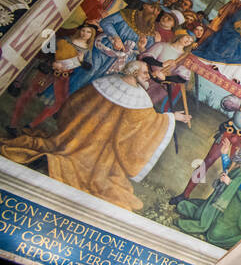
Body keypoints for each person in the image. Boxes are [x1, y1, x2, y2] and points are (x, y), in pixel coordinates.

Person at [1, 61, 190, 211]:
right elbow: (146, 124)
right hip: (99, 154)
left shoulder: (105, 82)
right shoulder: (138, 98)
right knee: (102, 177)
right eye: (145, 73)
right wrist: (172, 117)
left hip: (72, 139)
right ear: (133, 74)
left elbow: (73, 104)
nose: (148, 77)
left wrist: (75, 128)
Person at [173, 136, 241, 248]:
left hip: (235, 205)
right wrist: (224, 154)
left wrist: (230, 182)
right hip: (223, 195)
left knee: (215, 235)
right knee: (187, 208)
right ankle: (206, 219)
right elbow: (229, 169)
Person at [8, 23, 97, 130]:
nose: (84, 34)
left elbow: (88, 66)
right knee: (29, 93)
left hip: (63, 76)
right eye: (83, 30)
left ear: (92, 35)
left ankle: (30, 126)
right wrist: (56, 59)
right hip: (49, 70)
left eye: (88, 32)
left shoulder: (87, 51)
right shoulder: (66, 40)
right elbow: (48, 49)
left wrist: (80, 61)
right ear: (79, 30)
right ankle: (13, 124)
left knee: (59, 102)